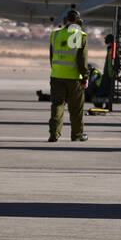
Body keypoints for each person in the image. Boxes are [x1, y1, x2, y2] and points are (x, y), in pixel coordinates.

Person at [48, 9, 89, 142]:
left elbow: (51, 57)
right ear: (78, 21)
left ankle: (54, 134)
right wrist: (86, 77)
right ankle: (77, 135)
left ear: (66, 20)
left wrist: (56, 70)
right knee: (76, 109)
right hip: (74, 78)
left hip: (57, 76)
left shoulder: (55, 35)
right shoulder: (81, 36)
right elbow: (82, 60)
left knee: (57, 106)